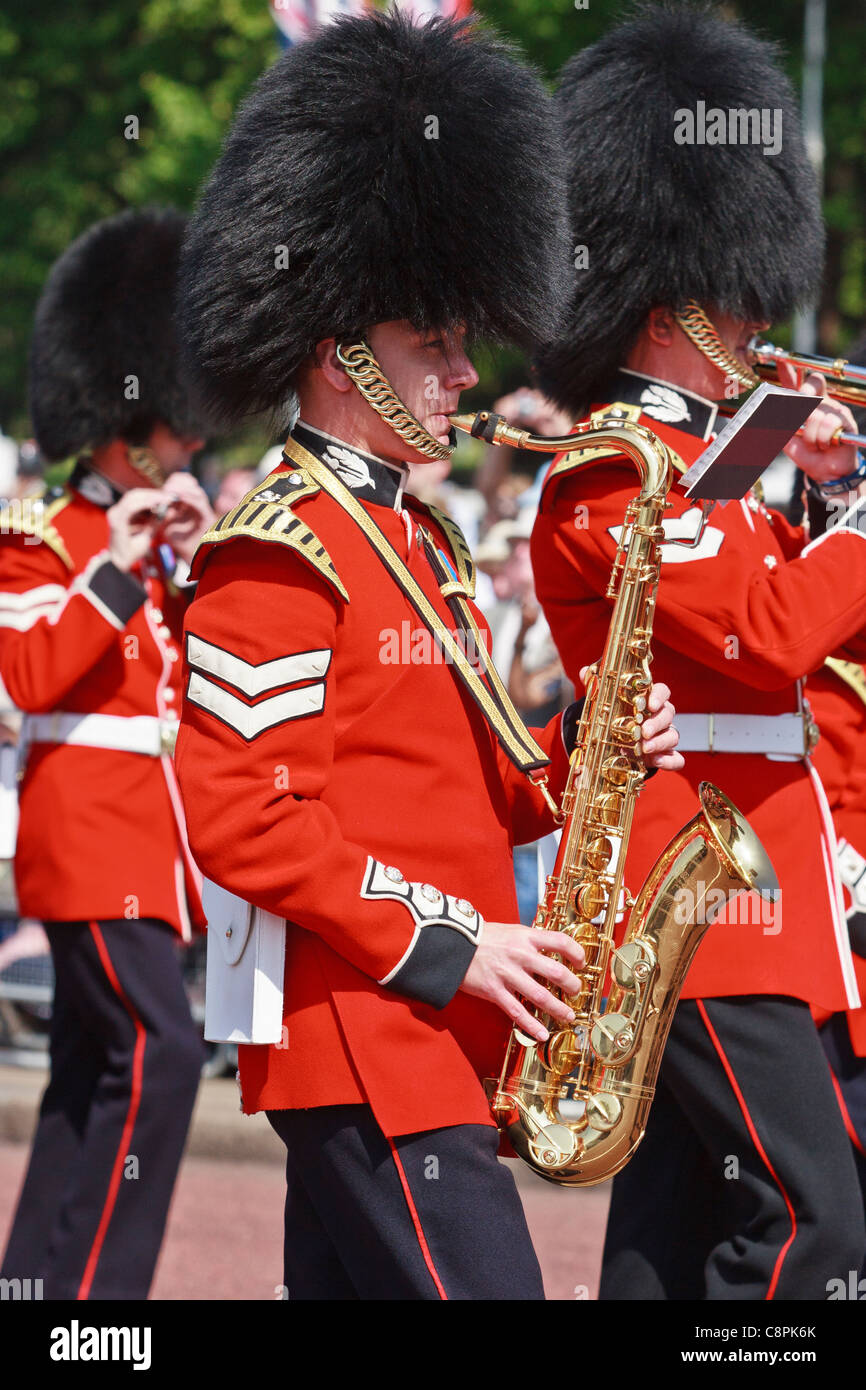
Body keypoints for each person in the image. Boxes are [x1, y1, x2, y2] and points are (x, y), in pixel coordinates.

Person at [174, 11, 680, 1301]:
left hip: (430, 1029)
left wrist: (590, 746)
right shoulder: (279, 549)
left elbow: (474, 777)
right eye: (434, 343)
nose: (465, 372)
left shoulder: (418, 536)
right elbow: (244, 821)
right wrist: (461, 945)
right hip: (364, 1027)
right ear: (346, 354)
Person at [531, 4, 866, 1299]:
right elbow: (769, 632)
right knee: (810, 1220)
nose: (757, 316)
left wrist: (829, 501)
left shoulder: (704, 473)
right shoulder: (612, 474)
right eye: (738, 294)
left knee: (670, 1230)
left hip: (752, 876)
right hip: (694, 883)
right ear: (673, 306)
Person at [0, 208, 214, 1300]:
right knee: (160, 1056)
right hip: (90, 838)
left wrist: (194, 556)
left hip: (146, 844)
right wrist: (125, 571)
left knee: (90, 1072)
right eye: (184, 427)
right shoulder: (45, 537)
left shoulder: (165, 542)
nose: (195, 442)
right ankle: (96, 1304)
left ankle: (34, 1286)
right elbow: (25, 678)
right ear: (134, 421)